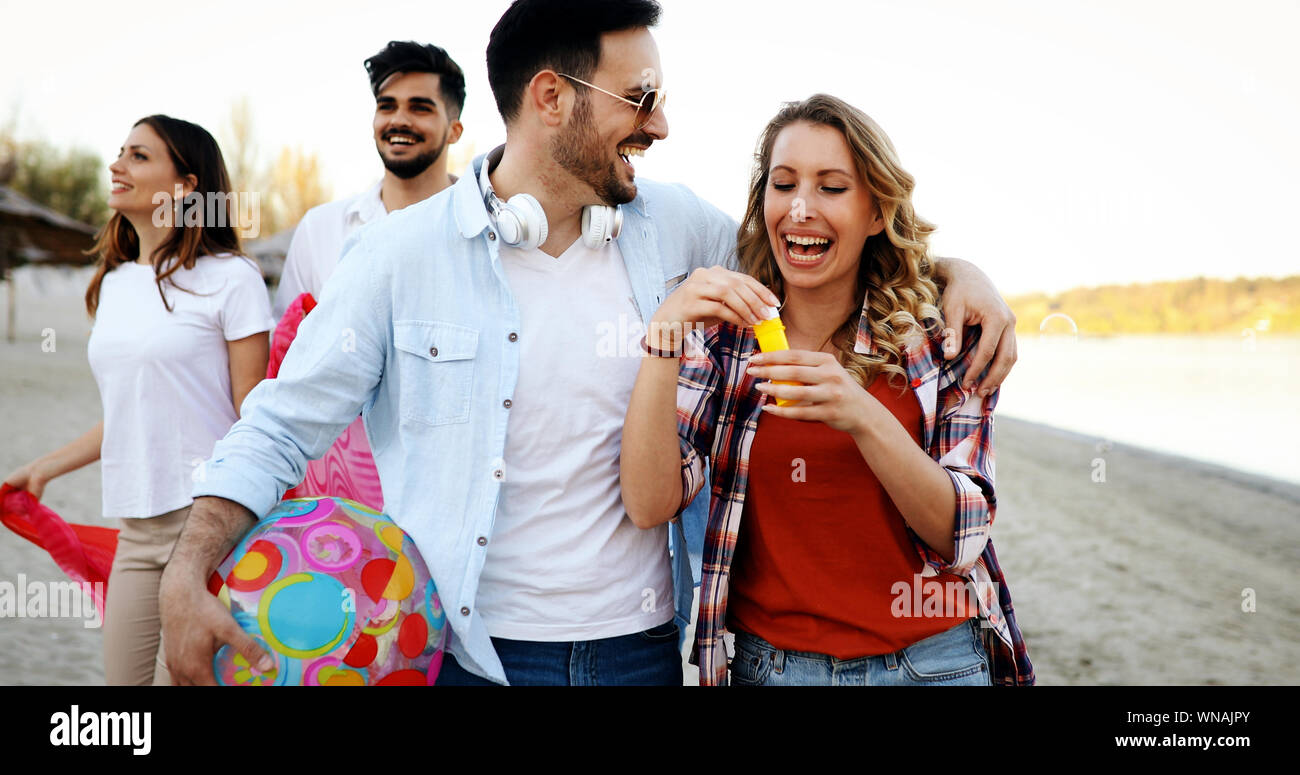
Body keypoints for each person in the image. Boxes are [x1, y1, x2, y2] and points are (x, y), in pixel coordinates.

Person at [159, 0, 1017, 686]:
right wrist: (185, 569)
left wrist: (953, 270)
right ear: (552, 97)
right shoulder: (395, 257)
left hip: (642, 650)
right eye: (640, 99)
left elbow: (817, 249)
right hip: (469, 652)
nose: (663, 124)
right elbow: (278, 426)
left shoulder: (678, 227)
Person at [620, 94, 1034, 685]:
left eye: (832, 188)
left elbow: (962, 534)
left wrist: (862, 415)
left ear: (875, 210)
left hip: (933, 666)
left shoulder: (940, 337)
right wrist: (664, 334)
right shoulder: (723, 340)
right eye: (783, 185)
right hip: (772, 669)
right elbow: (648, 502)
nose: (801, 209)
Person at [2, 115, 273, 685]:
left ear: (185, 187)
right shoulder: (116, 283)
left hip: (210, 530)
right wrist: (44, 467)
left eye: (140, 156)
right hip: (136, 531)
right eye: (120, 151)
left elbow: (255, 414)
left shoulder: (233, 279)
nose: (116, 164)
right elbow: (130, 414)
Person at [271, 40, 467, 319]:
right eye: (387, 106)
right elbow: (288, 347)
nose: (399, 120)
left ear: (454, 131)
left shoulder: (485, 229)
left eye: (420, 108)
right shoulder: (320, 231)